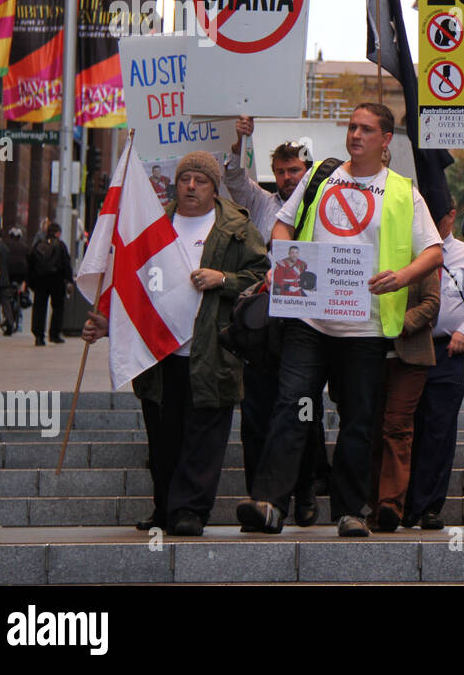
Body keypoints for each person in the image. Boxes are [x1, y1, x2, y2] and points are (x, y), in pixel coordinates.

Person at [237, 103, 443, 537]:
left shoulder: (404, 191)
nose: (355, 135)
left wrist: (402, 277)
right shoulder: (319, 177)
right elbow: (283, 225)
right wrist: (279, 262)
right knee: (292, 408)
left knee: (359, 419)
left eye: (366, 129)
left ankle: (350, 511)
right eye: (352, 126)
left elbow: (434, 251)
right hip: (309, 321)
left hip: (365, 327)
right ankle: (270, 503)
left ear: (386, 140)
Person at [81, 151, 269, 535]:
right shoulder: (153, 224)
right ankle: (165, 507)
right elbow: (131, 284)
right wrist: (109, 323)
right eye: (185, 179)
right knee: (164, 437)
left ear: (214, 186)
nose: (190, 186)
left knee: (203, 438)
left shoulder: (235, 227)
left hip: (212, 350)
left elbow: (262, 278)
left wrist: (223, 279)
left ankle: (190, 512)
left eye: (200, 180)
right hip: (157, 351)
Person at [224, 118, 327, 525]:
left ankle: (304, 492)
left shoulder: (326, 205)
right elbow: (234, 178)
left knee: (303, 411)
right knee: (257, 412)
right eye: (281, 171)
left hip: (311, 326)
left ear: (308, 171)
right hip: (269, 327)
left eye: (294, 171)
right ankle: (260, 494)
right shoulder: (266, 205)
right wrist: (240, 138)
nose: (286, 178)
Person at [404, 196, 464, 530]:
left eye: (437, 214)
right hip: (412, 347)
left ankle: (431, 505)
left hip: (450, 350)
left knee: (440, 430)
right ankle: (403, 501)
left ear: (451, 214)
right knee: (408, 426)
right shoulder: (409, 250)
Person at [369, 267, 440, 530]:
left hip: (410, 355)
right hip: (367, 354)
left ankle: (390, 505)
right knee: (371, 429)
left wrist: (400, 323)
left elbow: (432, 302)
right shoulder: (365, 243)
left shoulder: (422, 249)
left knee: (396, 427)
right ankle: (372, 506)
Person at [29, 222, 73, 346]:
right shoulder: (61, 245)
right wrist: (69, 280)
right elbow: (66, 264)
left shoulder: (38, 245)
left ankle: (38, 336)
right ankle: (54, 334)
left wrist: (31, 282)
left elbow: (31, 264)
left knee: (39, 307)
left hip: (40, 281)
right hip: (57, 280)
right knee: (58, 307)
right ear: (58, 233)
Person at [0, 226, 30, 335]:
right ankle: (22, 297)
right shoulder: (25, 247)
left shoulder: (6, 245)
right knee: (21, 288)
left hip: (9, 273)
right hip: (22, 274)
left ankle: (9, 313)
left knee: (7, 295)